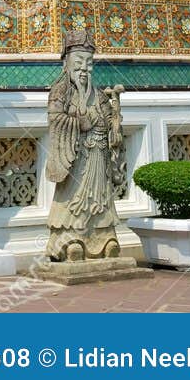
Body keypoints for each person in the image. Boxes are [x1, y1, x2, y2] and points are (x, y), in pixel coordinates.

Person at [45, 29, 125, 262]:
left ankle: (105, 238)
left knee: (101, 199)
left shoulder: (98, 95)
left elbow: (109, 118)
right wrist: (79, 123)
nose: (84, 69)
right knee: (74, 199)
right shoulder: (60, 91)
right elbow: (55, 119)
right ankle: (69, 241)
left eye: (89, 64)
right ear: (66, 63)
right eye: (79, 63)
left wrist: (114, 125)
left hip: (99, 156)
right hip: (76, 157)